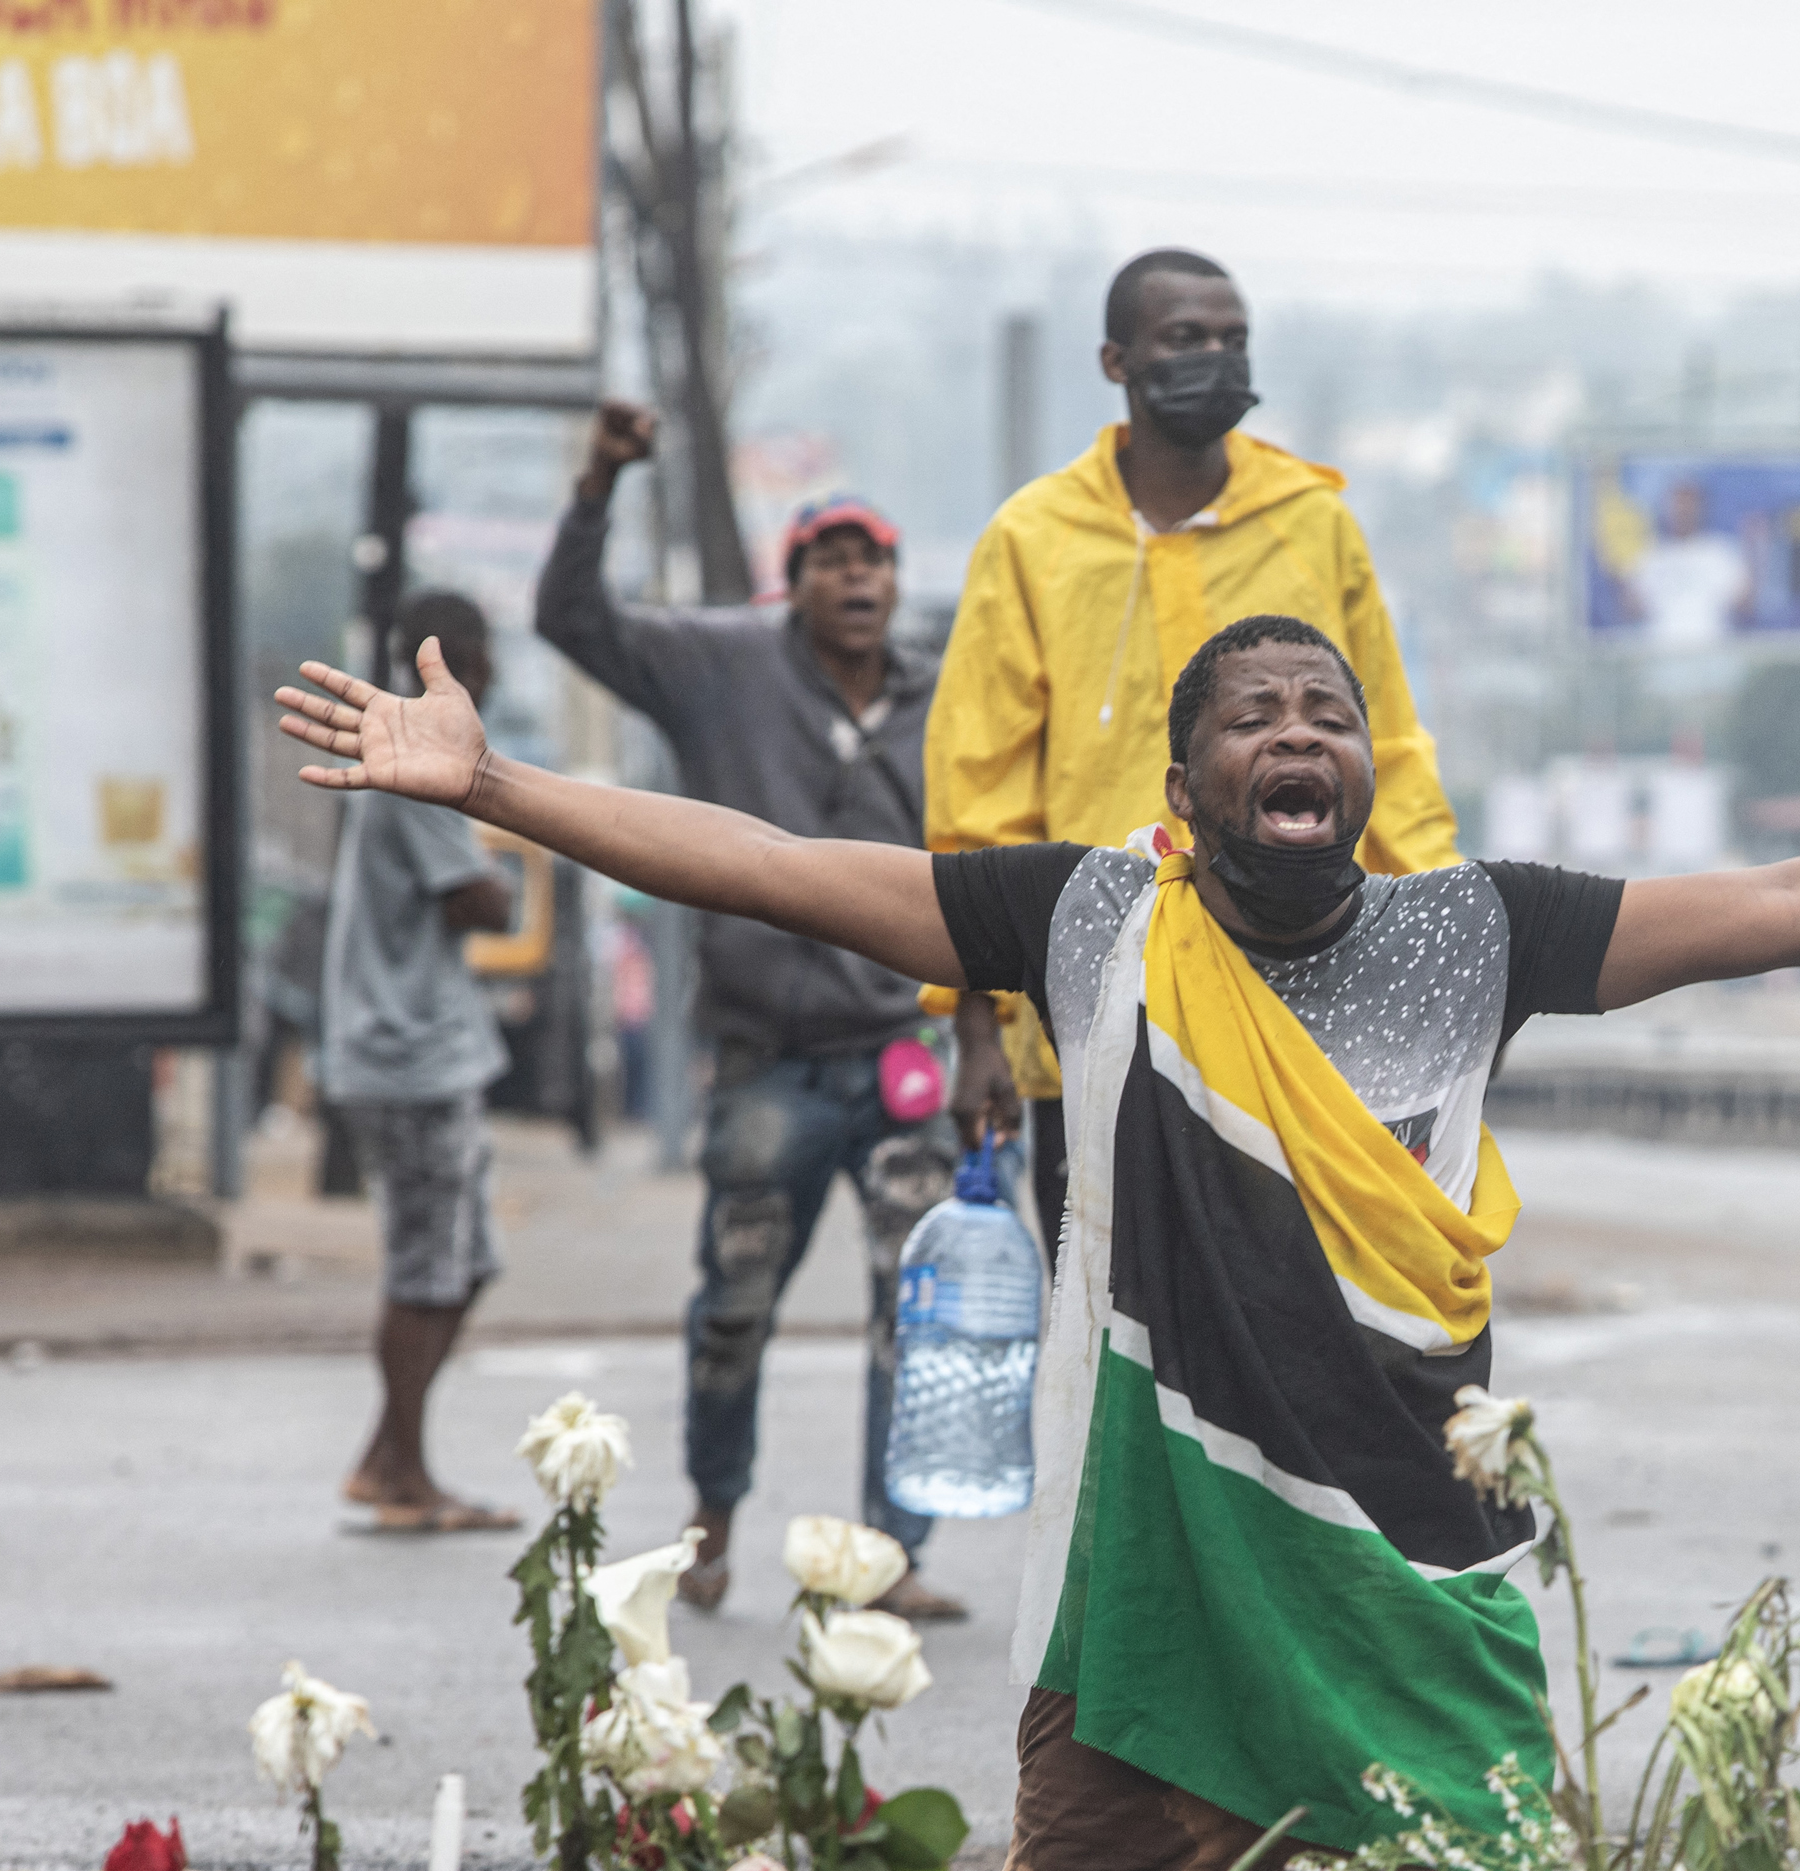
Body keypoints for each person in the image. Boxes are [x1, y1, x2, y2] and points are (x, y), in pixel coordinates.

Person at [281, 611, 1800, 1871]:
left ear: (1364, 772)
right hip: (1150, 1607)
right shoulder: (1092, 922)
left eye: (1329, 711)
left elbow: (1791, 900)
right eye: (1250, 713)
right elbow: (789, 872)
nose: (1297, 730)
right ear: (1190, 778)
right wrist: (501, 786)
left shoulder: (1480, 934)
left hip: (1414, 1606)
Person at [929, 248, 1457, 1262]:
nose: (1215, 359)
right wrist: (974, 1024)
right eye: (1186, 340)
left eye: (1234, 340)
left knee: (1299, 1299)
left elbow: (1387, 741)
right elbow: (978, 787)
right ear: (1116, 361)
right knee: (1106, 1302)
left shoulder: (1313, 524)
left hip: (1306, 989)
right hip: (1093, 997)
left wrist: (1433, 937)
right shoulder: (1033, 540)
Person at [537, 408, 962, 1621]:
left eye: (873, 559)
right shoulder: (724, 665)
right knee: (733, 1307)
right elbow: (578, 624)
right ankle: (712, 1521)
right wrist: (600, 486)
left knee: (913, 1310)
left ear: (895, 581)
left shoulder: (949, 694)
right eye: (831, 559)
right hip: (767, 1062)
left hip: (901, 1054)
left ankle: (893, 1555)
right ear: (795, 584)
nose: (857, 578)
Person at [316, 590, 523, 1533]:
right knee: (426, 1267)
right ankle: (403, 1472)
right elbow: (477, 901)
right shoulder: (420, 760)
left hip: (420, 1045)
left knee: (466, 1259)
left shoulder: (403, 747)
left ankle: (388, 1453)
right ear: (469, 659)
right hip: (409, 1053)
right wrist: (508, 870)